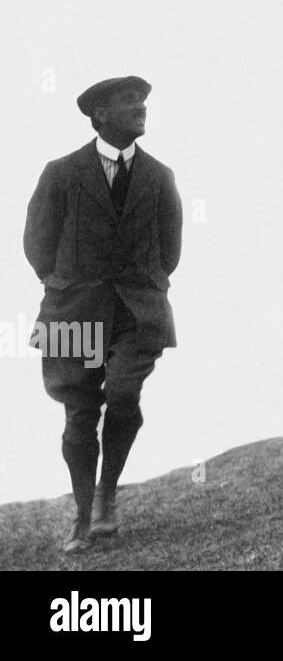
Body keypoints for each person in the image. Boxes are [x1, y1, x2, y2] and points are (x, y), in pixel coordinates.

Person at [23, 76, 183, 553]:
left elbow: (169, 251)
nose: (141, 108)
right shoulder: (61, 172)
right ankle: (81, 515)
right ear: (101, 115)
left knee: (124, 393)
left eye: (144, 100)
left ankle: (106, 498)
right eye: (130, 100)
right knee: (79, 412)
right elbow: (37, 245)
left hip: (137, 309)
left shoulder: (159, 176)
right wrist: (66, 284)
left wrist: (146, 284)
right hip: (72, 307)